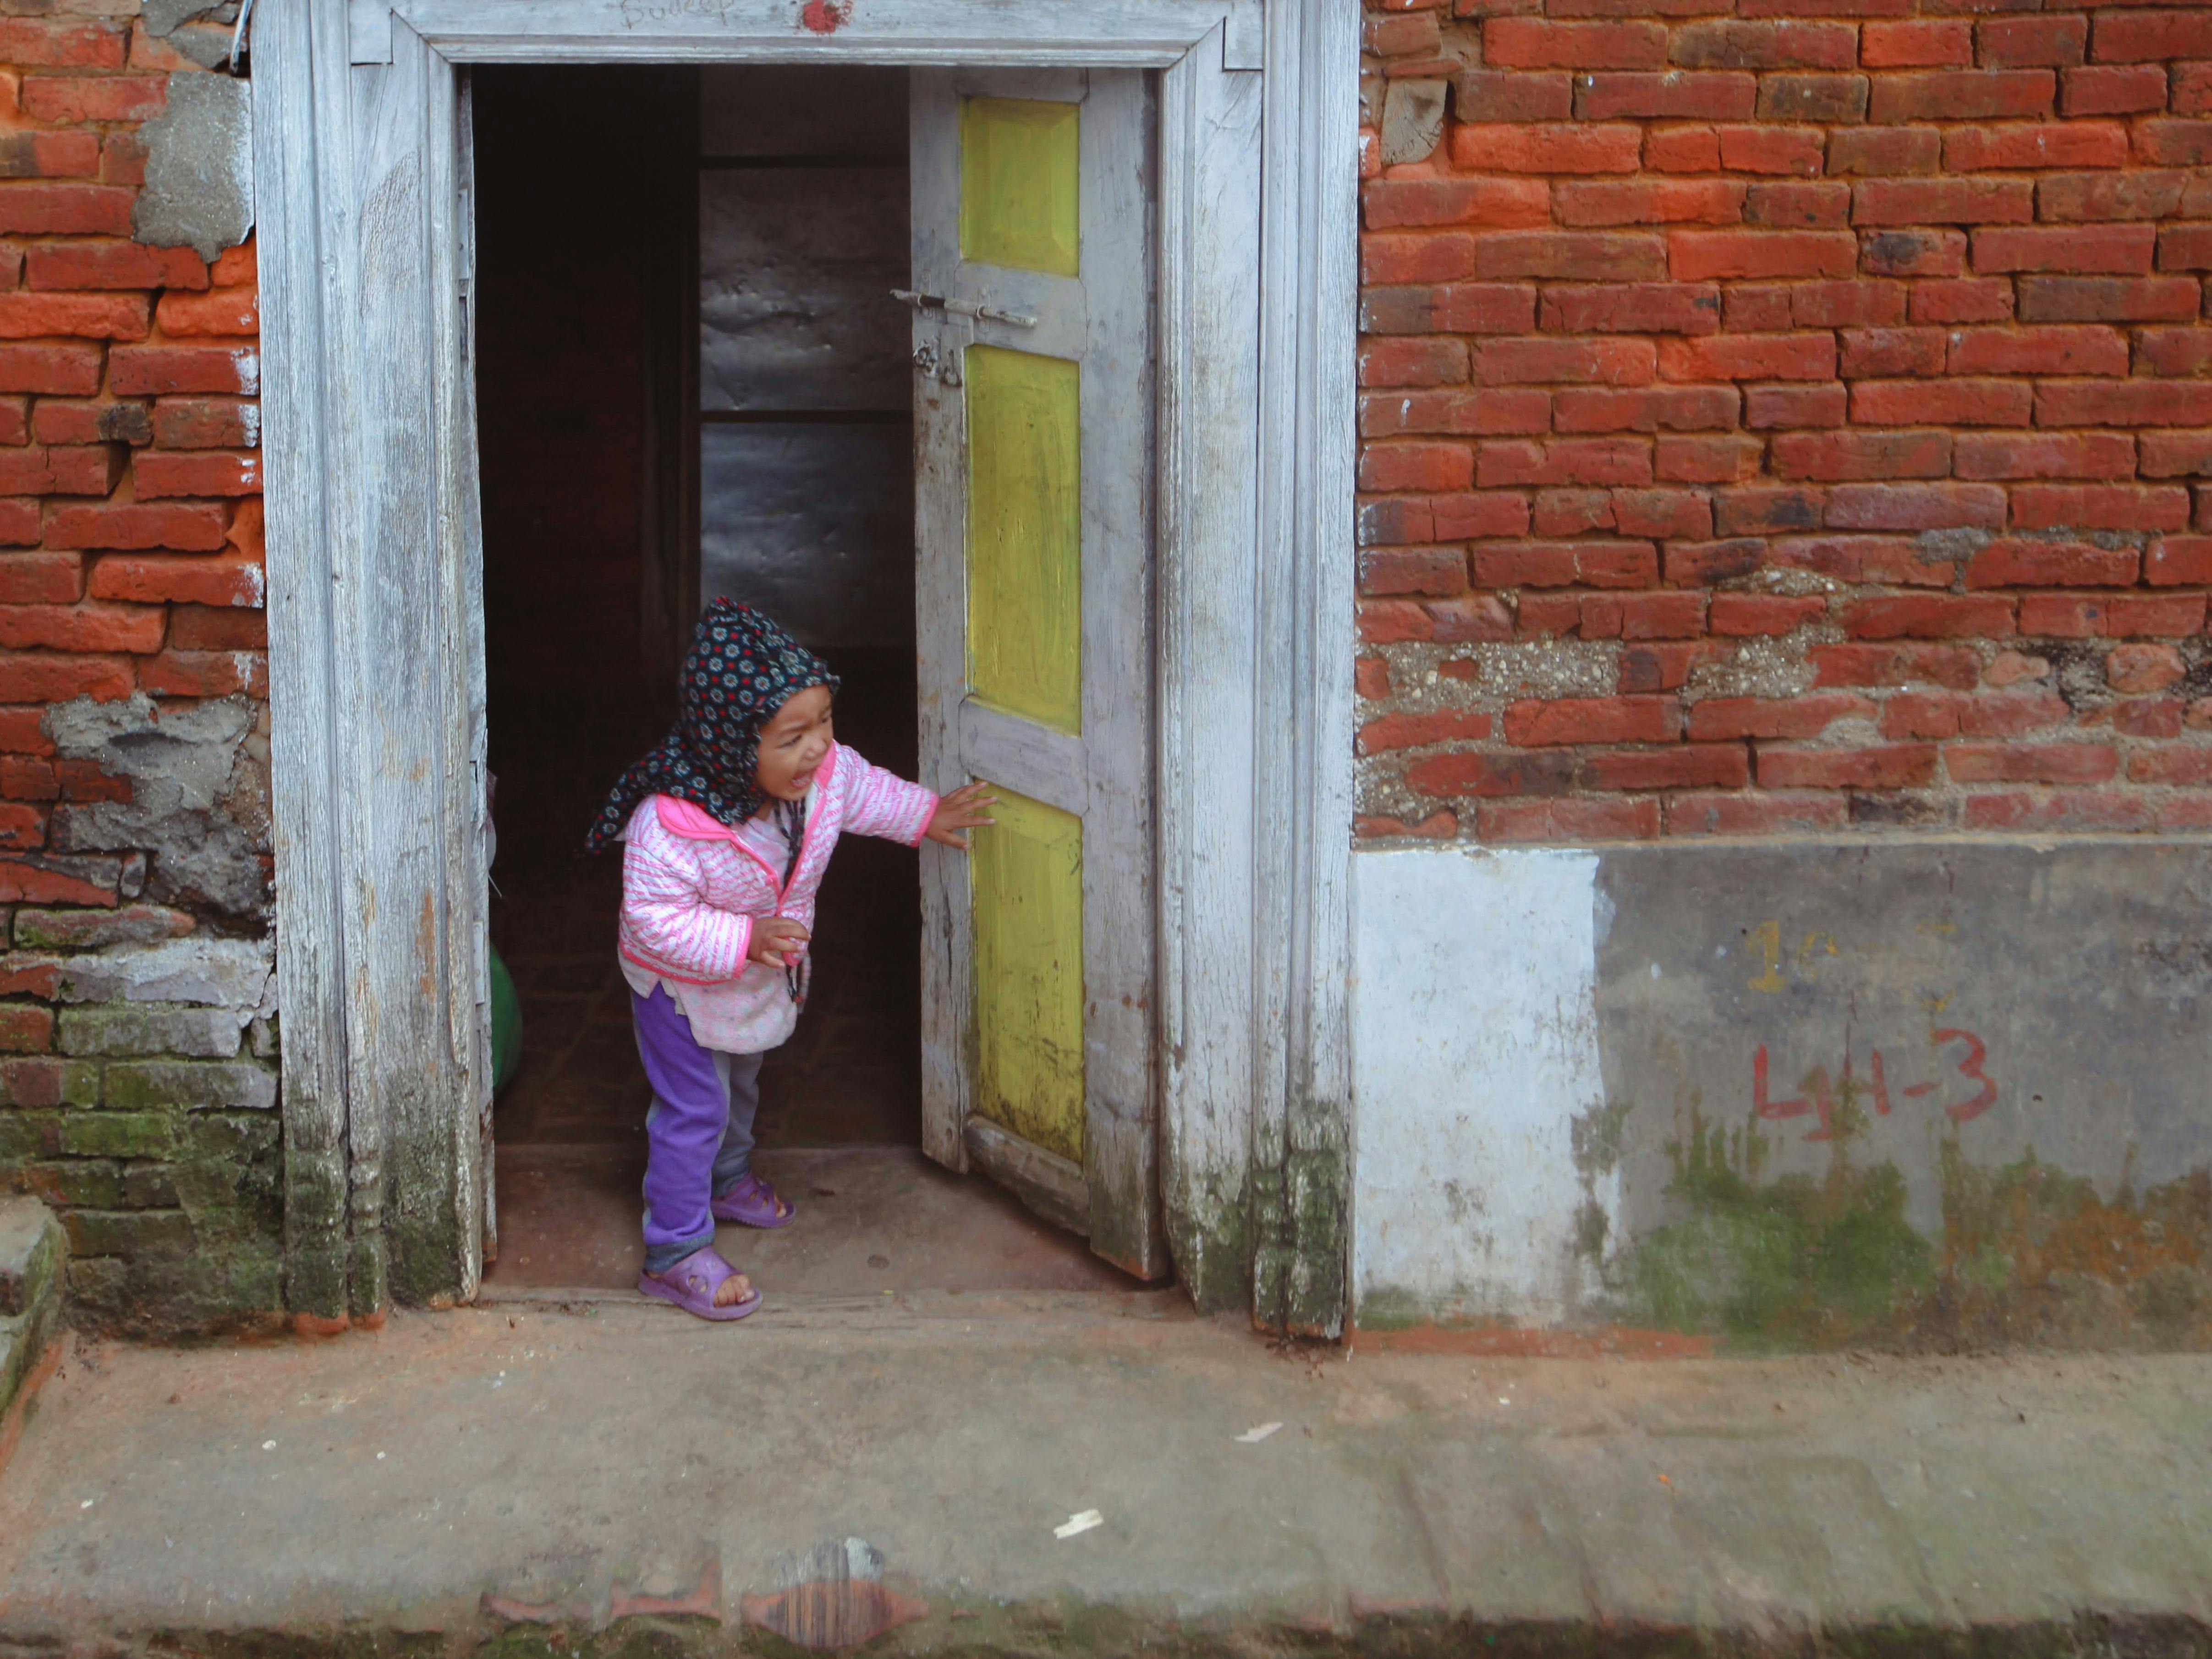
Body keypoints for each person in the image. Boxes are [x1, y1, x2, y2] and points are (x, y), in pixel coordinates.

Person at [587, 600, 993, 1320]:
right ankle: (674, 1250)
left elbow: (863, 790)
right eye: (793, 737)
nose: (818, 749)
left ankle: (728, 1178)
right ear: (732, 744)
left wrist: (926, 816)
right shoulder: (672, 824)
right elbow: (650, 922)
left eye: (825, 722)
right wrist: (743, 939)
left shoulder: (822, 779)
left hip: (753, 978)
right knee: (694, 1107)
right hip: (679, 990)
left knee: (741, 1081)